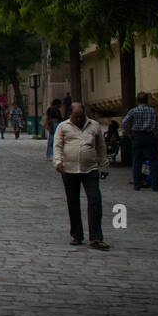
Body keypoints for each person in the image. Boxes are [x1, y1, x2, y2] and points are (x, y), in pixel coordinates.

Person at [52, 101, 110, 249]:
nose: (79, 119)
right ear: (70, 115)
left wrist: (104, 165)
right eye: (76, 116)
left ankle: (96, 237)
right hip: (69, 169)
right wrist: (57, 161)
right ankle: (77, 235)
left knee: (95, 200)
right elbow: (57, 145)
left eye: (81, 116)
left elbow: (101, 147)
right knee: (73, 202)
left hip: (90, 169)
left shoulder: (94, 126)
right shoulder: (63, 127)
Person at [121, 92, 158, 191]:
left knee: (136, 160)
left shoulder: (134, 110)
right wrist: (156, 137)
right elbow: (157, 126)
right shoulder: (153, 111)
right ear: (147, 100)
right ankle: (154, 184)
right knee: (153, 161)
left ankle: (137, 184)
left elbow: (124, 122)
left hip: (137, 136)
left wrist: (129, 132)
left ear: (137, 100)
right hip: (150, 135)